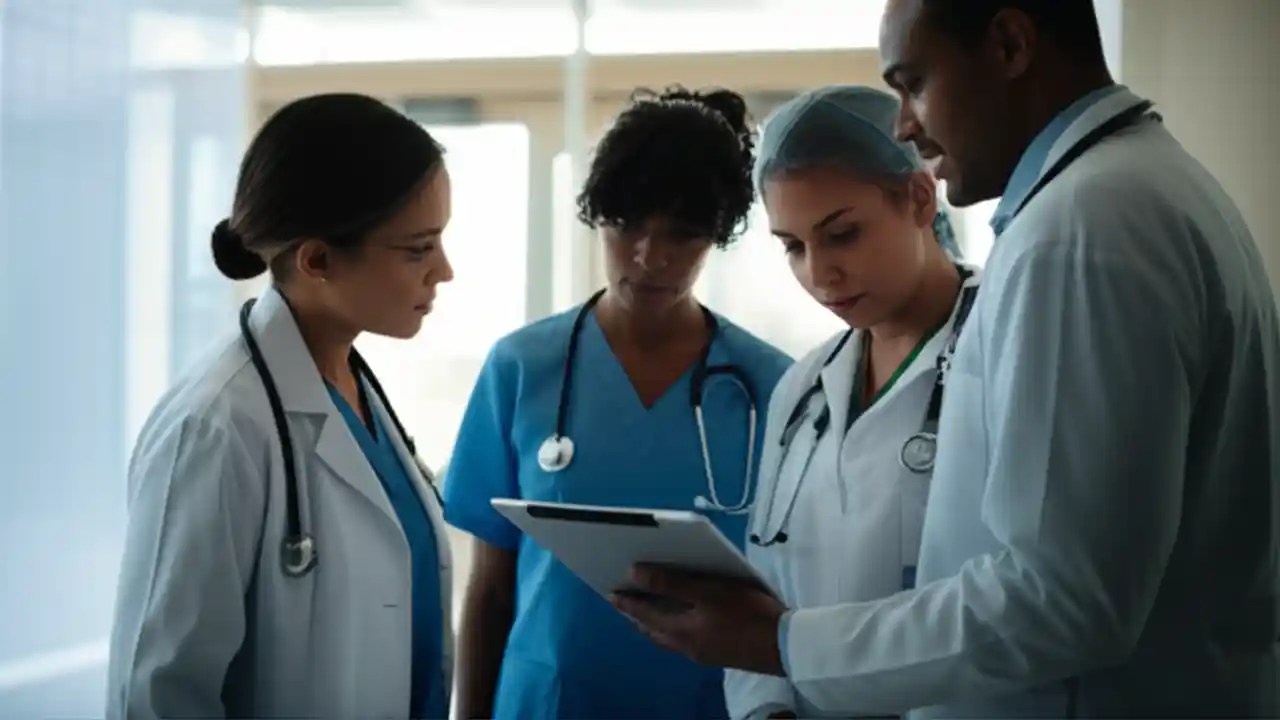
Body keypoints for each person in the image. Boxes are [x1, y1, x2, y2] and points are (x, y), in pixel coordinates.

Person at [614, 0, 1280, 716]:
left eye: (915, 82)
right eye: (793, 245)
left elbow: (1063, 600)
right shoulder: (1134, 191)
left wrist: (784, 645)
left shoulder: (1080, 227)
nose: (906, 124)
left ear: (1010, 43)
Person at [444, 86, 793, 720]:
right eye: (627, 225)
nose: (649, 257)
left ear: (717, 234)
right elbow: (490, 589)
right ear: (596, 216)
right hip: (548, 701)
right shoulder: (521, 368)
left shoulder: (772, 386)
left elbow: (796, 588)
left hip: (711, 703)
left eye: (682, 235)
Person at [107, 93, 456, 720]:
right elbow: (159, 695)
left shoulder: (352, 388)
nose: (445, 271)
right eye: (418, 249)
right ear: (317, 259)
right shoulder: (214, 427)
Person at [720, 84, 978, 720]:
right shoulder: (801, 389)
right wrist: (766, 710)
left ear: (920, 199)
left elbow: (1024, 601)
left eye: (843, 234)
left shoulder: (1001, 353)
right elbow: (765, 593)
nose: (819, 273)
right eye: (794, 246)